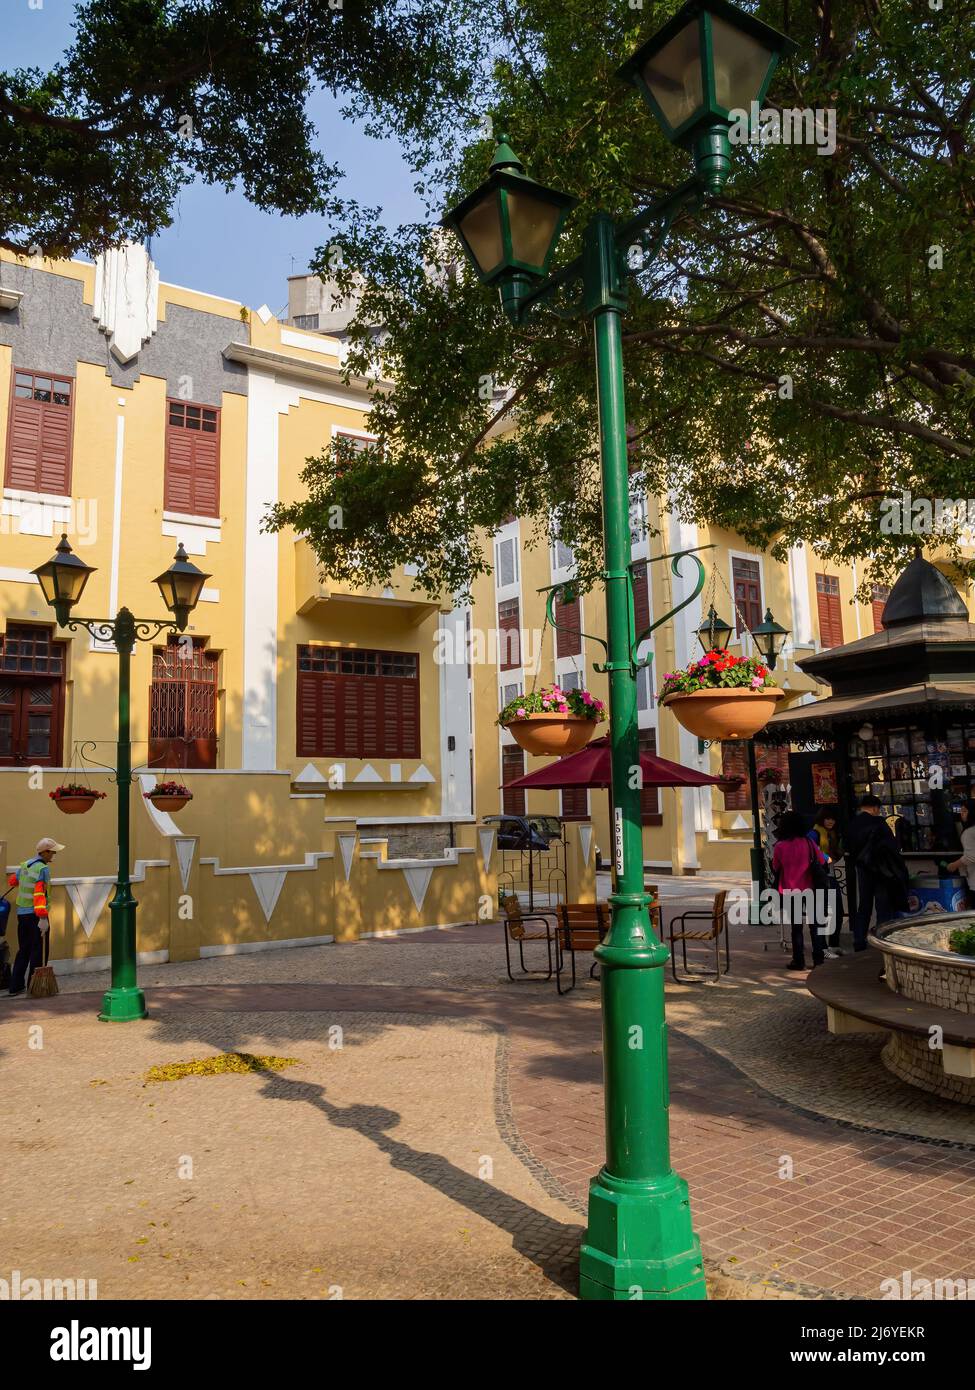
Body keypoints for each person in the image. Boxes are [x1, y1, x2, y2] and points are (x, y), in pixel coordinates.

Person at [846, 794, 908, 949]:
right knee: (883, 906)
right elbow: (891, 846)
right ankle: (881, 940)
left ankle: (859, 940)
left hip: (862, 869)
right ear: (875, 808)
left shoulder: (852, 824)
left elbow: (847, 847)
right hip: (881, 871)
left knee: (864, 906)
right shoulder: (879, 822)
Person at [773, 810, 829, 972]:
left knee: (796, 928)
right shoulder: (809, 843)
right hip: (811, 889)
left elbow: (776, 867)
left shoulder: (780, 846)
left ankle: (799, 961)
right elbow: (820, 860)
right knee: (815, 926)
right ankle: (818, 960)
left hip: (790, 891)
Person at [6, 837, 62, 997]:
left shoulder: (25, 865)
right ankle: (36, 987)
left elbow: (12, 881)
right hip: (36, 915)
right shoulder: (42, 869)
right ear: (44, 852)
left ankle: (15, 986)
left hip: (22, 915)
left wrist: (23, 881)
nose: (53, 855)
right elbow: (39, 894)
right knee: (39, 950)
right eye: (52, 852)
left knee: (24, 949)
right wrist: (43, 917)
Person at [809, 806, 845, 956]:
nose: (831, 821)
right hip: (819, 878)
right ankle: (822, 947)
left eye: (833, 819)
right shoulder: (814, 834)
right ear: (821, 819)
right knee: (821, 913)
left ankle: (833, 944)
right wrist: (825, 858)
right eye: (827, 818)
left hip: (830, 876)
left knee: (838, 911)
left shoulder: (833, 834)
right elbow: (811, 851)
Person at [946, 799, 975, 893]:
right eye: (961, 811)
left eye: (965, 811)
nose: (962, 814)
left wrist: (953, 865)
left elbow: (970, 857)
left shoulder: (969, 832)